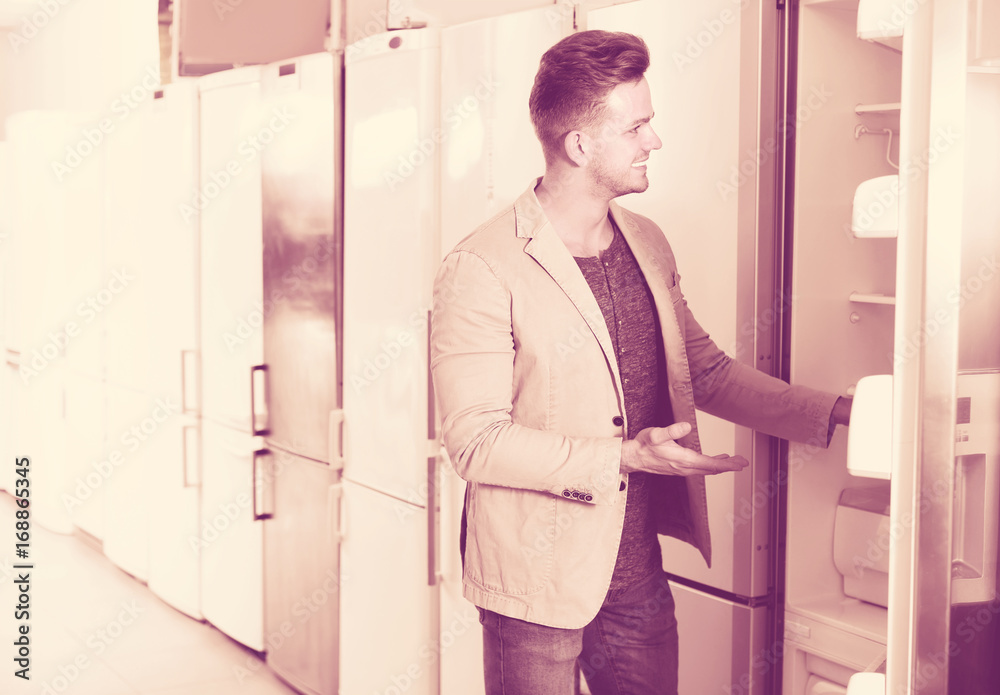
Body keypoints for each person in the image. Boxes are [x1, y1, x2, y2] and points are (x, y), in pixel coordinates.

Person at [429, 30, 851, 695]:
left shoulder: (647, 242)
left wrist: (836, 412)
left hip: (637, 578)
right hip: (534, 587)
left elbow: (703, 370)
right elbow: (477, 443)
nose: (654, 140)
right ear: (579, 145)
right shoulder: (482, 267)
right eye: (637, 126)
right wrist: (624, 455)